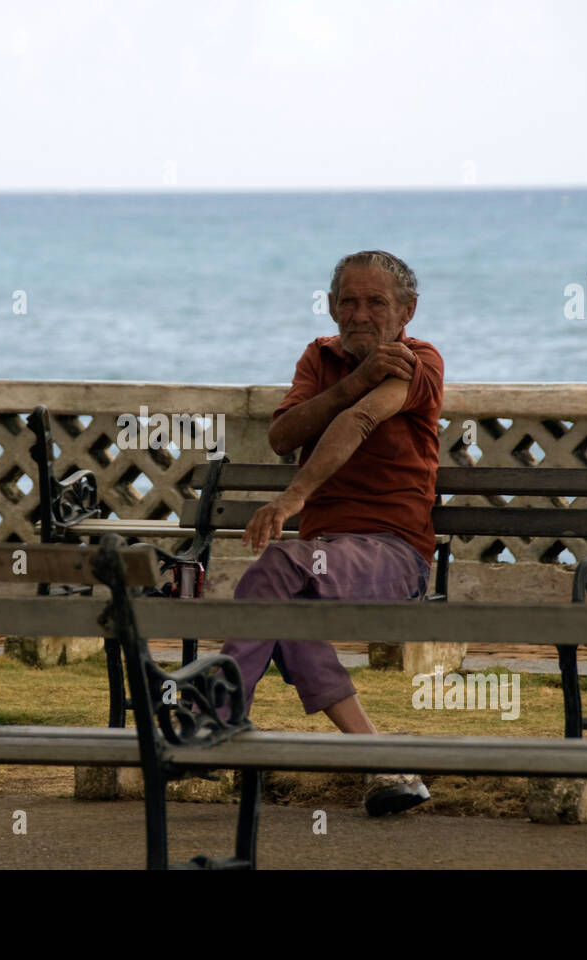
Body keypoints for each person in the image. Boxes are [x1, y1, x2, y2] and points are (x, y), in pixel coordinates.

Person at [222, 249, 444, 816]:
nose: (360, 313)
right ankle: (382, 764)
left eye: (377, 302)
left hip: (393, 556)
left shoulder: (419, 361)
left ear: (407, 311)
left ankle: (216, 719)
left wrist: (294, 496)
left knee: (275, 570)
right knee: (282, 596)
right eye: (349, 300)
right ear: (330, 306)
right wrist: (354, 380)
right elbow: (282, 434)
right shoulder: (318, 359)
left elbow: (361, 420)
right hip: (323, 557)